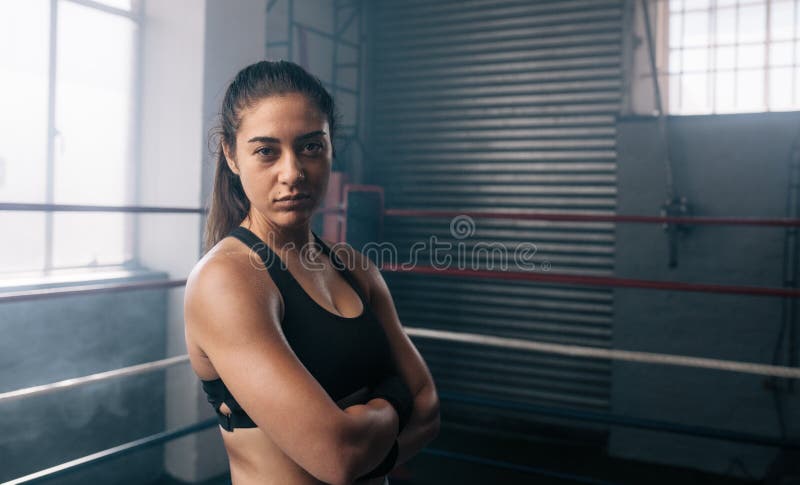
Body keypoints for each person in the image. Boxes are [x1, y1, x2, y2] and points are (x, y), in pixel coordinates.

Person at [183, 60, 440, 485]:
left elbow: (429, 410)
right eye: (266, 151)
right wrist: (394, 396)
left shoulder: (356, 269)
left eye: (310, 146)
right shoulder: (225, 281)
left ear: (329, 147)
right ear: (231, 154)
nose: (293, 173)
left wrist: (365, 431)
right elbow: (338, 455)